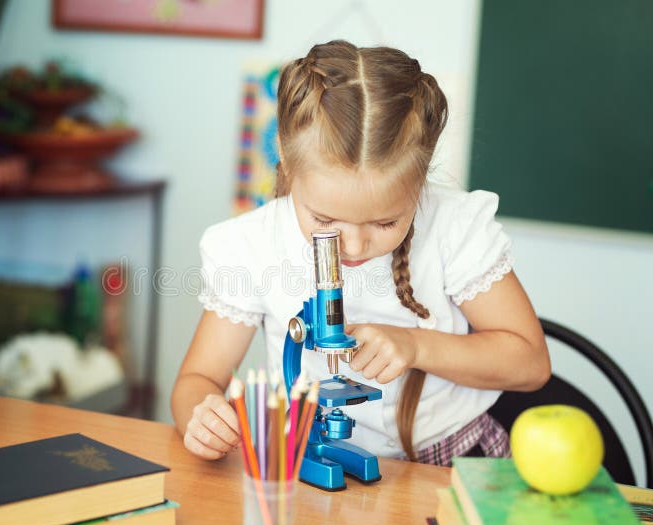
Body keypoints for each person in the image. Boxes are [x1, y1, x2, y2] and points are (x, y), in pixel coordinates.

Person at [171, 40, 550, 466]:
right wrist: (202, 419)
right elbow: (197, 380)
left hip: (450, 463)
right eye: (324, 219)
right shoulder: (250, 245)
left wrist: (416, 345)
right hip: (309, 459)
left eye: (385, 223)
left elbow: (530, 364)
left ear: (420, 181)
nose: (352, 247)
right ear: (287, 161)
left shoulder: (454, 229)